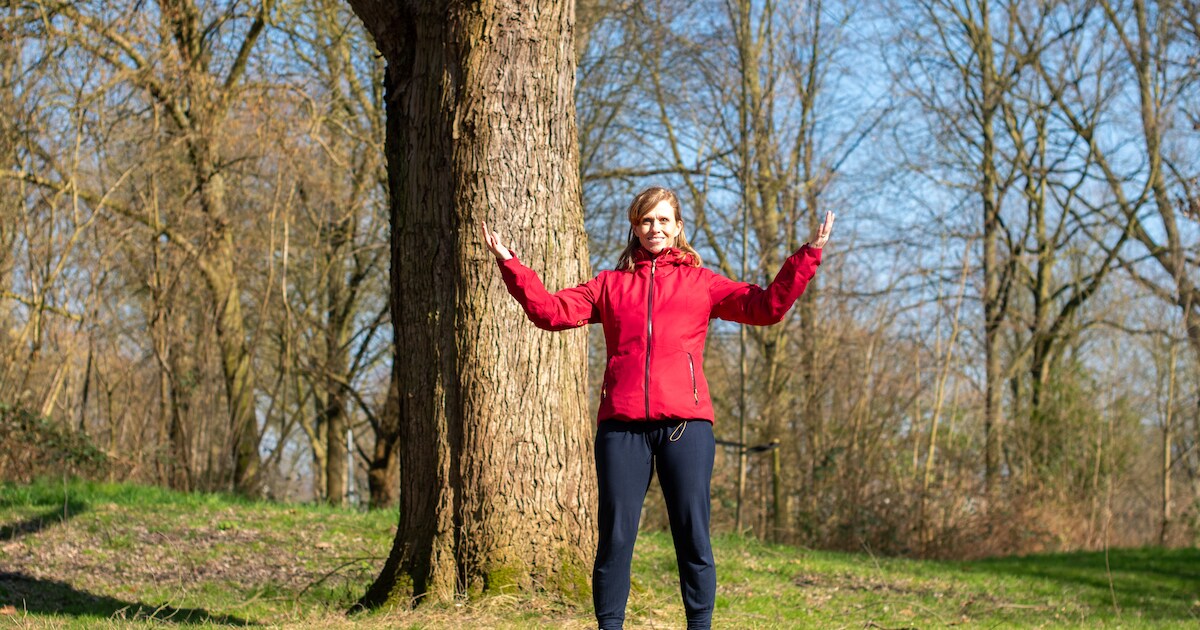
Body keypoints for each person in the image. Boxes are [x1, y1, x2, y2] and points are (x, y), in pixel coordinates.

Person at [481, 186, 834, 630]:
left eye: (664, 220)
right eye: (647, 220)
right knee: (616, 537)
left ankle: (699, 626)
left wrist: (807, 257)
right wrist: (511, 265)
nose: (655, 228)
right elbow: (550, 311)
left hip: (686, 426)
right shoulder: (609, 285)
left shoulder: (702, 284)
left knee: (692, 536)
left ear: (678, 227)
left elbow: (765, 307)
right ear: (634, 227)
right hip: (621, 428)